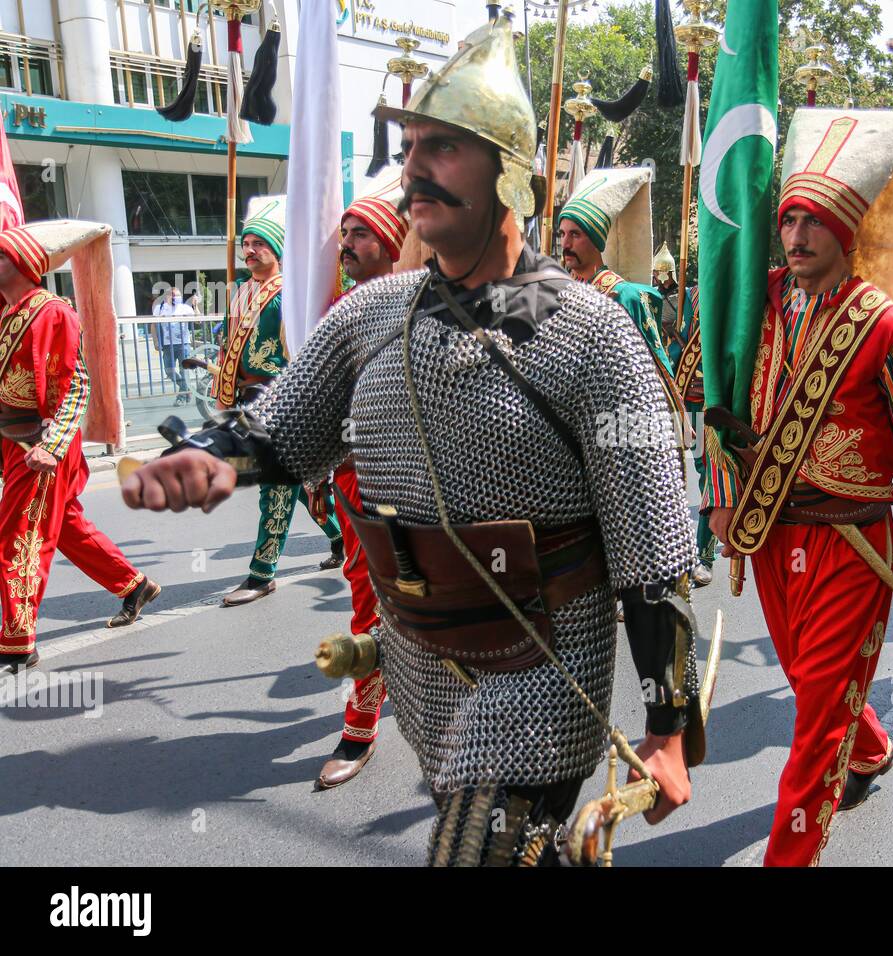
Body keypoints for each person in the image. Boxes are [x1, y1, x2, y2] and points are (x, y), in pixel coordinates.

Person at [121, 16, 700, 866]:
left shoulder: (596, 334)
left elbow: (655, 555)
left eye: (446, 148)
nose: (415, 168)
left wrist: (668, 727)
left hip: (540, 674)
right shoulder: (367, 318)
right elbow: (278, 430)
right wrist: (211, 457)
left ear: (508, 175)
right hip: (422, 665)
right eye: (413, 146)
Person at [705, 108, 893, 866]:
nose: (798, 237)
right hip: (769, 532)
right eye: (789, 221)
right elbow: (713, 401)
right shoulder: (750, 304)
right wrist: (717, 493)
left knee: (812, 720)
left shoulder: (888, 326)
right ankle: (868, 745)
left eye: (814, 223)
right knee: (813, 684)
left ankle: (789, 854)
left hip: (851, 541)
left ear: (847, 231)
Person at [0, 220, 161, 674]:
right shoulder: (7, 312)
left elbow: (75, 383)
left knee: (20, 536)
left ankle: (17, 640)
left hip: (41, 445)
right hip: (14, 442)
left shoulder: (51, 312)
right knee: (65, 524)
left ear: (26, 265)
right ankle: (133, 585)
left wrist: (50, 444)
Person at [315, 183, 407, 790]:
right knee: (368, 597)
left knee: (436, 597)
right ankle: (362, 721)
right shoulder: (330, 312)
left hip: (418, 479)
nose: (347, 244)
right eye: (343, 233)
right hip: (355, 478)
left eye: (360, 234)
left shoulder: (419, 307)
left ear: (390, 246)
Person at [216, 198, 344, 607]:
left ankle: (261, 573)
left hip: (282, 399)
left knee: (275, 486)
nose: (250, 250)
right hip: (247, 400)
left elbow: (303, 350)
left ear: (277, 250)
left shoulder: (291, 293)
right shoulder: (237, 293)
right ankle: (340, 537)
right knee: (302, 486)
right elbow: (228, 343)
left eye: (260, 244)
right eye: (247, 244)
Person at [555, 167, 678, 399]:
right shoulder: (559, 292)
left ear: (596, 239)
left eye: (575, 234)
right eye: (562, 234)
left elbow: (653, 374)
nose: (565, 243)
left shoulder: (623, 296)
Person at [651, 243, 714, 587]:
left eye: (663, 275)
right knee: (667, 475)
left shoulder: (698, 298)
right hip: (672, 397)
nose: (660, 281)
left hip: (702, 399)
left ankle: (705, 555)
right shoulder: (651, 303)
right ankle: (673, 553)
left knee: (707, 474)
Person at [156, 285, 195, 405]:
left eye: (177, 295)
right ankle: (186, 389)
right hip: (168, 345)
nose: (175, 298)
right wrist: (155, 341)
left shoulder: (185, 308)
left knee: (184, 371)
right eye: (172, 295)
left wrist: (195, 305)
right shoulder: (160, 308)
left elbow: (198, 319)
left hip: (183, 344)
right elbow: (153, 324)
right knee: (169, 371)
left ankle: (181, 397)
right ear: (167, 296)